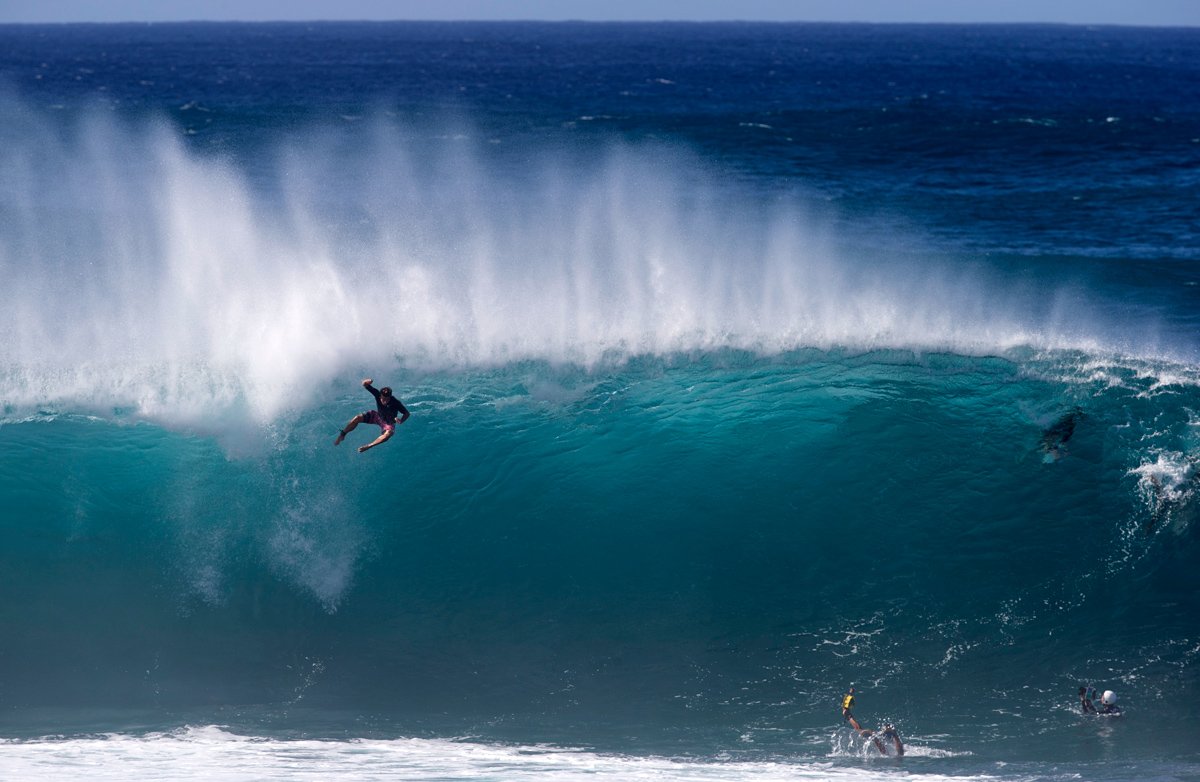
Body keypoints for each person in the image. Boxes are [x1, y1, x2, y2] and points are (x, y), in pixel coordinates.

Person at [335, 378, 410, 453]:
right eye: (384, 399)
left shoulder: (396, 402)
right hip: (377, 416)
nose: (385, 402)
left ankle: (369, 446)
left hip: (388, 423)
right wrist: (369, 380)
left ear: (390, 397)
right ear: (380, 396)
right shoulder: (377, 394)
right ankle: (343, 434)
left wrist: (401, 420)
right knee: (357, 418)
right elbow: (364, 384)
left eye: (387, 399)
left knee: (388, 434)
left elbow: (407, 413)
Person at [840, 687, 902, 755]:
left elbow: (857, 727)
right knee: (895, 739)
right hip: (871, 731)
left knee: (862, 731)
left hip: (867, 731)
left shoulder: (845, 711)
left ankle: (849, 715)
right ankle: (894, 737)